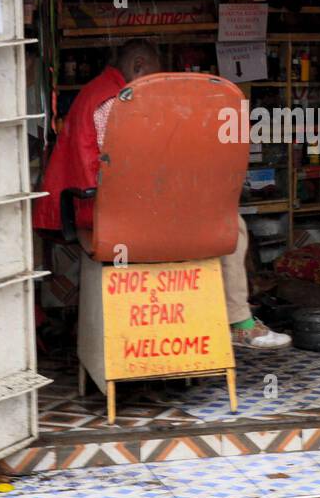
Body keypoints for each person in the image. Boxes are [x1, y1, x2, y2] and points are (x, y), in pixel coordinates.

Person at [34, 41, 289, 350]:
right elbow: (129, 169)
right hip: (111, 217)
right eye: (151, 77)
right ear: (139, 66)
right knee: (228, 222)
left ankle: (214, 323)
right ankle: (239, 323)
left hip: (105, 208)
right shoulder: (114, 102)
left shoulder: (100, 93)